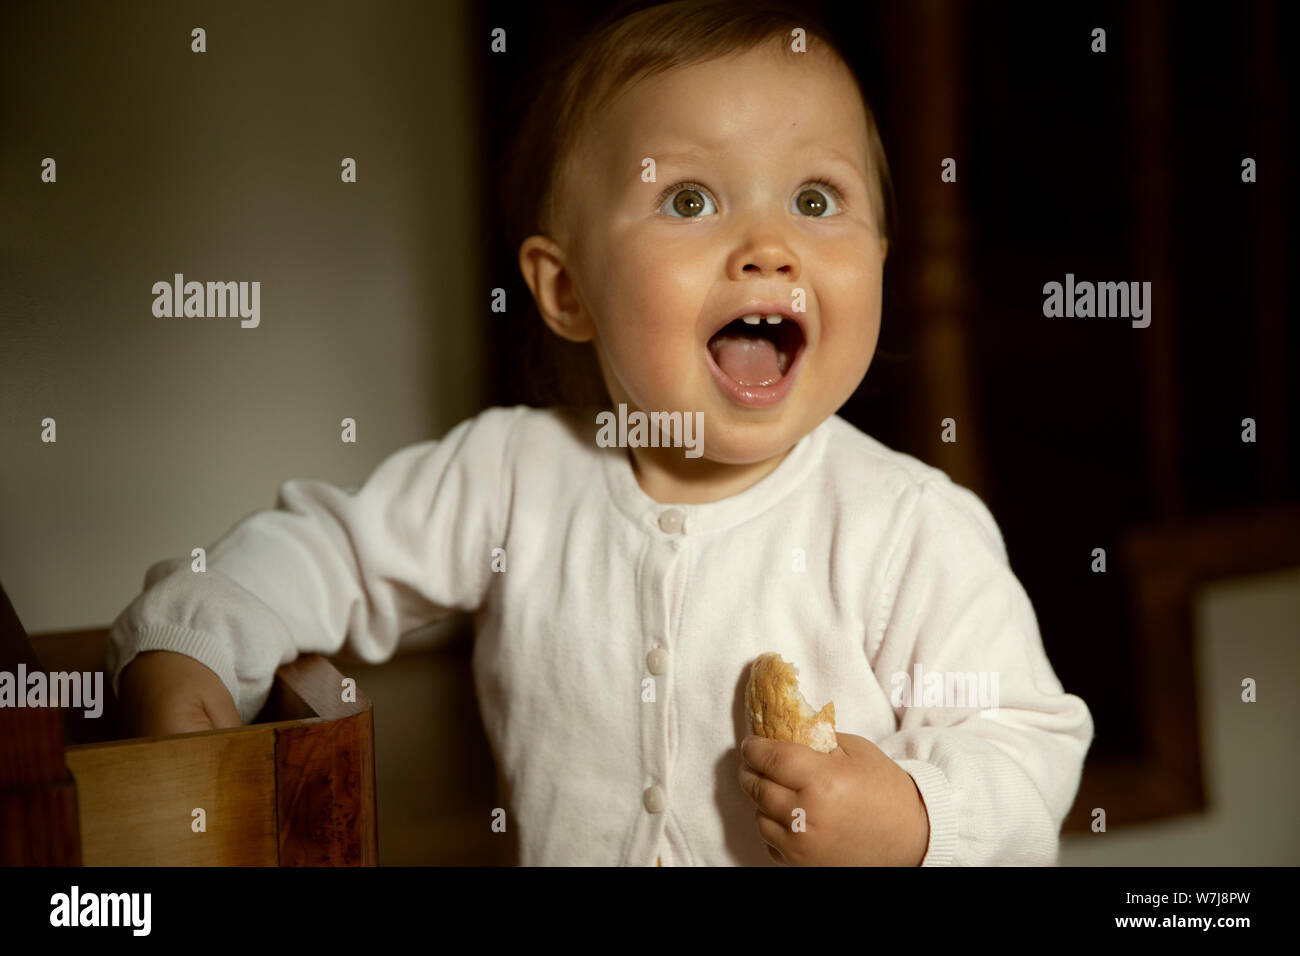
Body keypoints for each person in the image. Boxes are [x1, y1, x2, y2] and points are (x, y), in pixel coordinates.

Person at [112, 0, 1093, 866]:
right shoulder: (511, 476)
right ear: (565, 288)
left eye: (814, 198)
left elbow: (1026, 743)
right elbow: (329, 549)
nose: (767, 246)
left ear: (879, 255)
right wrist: (193, 644)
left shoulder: (906, 528)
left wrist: (918, 818)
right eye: (689, 199)